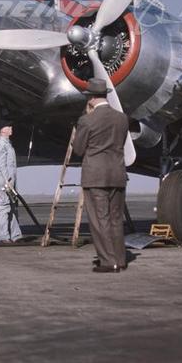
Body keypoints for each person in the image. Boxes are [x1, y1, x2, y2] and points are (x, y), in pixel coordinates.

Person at [72, 79, 129, 273]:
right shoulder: (122, 118)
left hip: (95, 175)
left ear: (90, 98)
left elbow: (78, 149)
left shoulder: (86, 120)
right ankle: (119, 259)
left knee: (99, 219)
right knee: (115, 219)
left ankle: (108, 261)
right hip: (118, 173)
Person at [0, 119, 23, 244]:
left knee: (13, 207)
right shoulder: (1, 145)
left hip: (10, 181)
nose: (11, 128)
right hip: (5, 182)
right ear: (2, 130)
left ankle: (15, 235)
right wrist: (7, 180)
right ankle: (4, 236)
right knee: (4, 207)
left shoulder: (7, 144)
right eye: (8, 126)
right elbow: (1, 165)